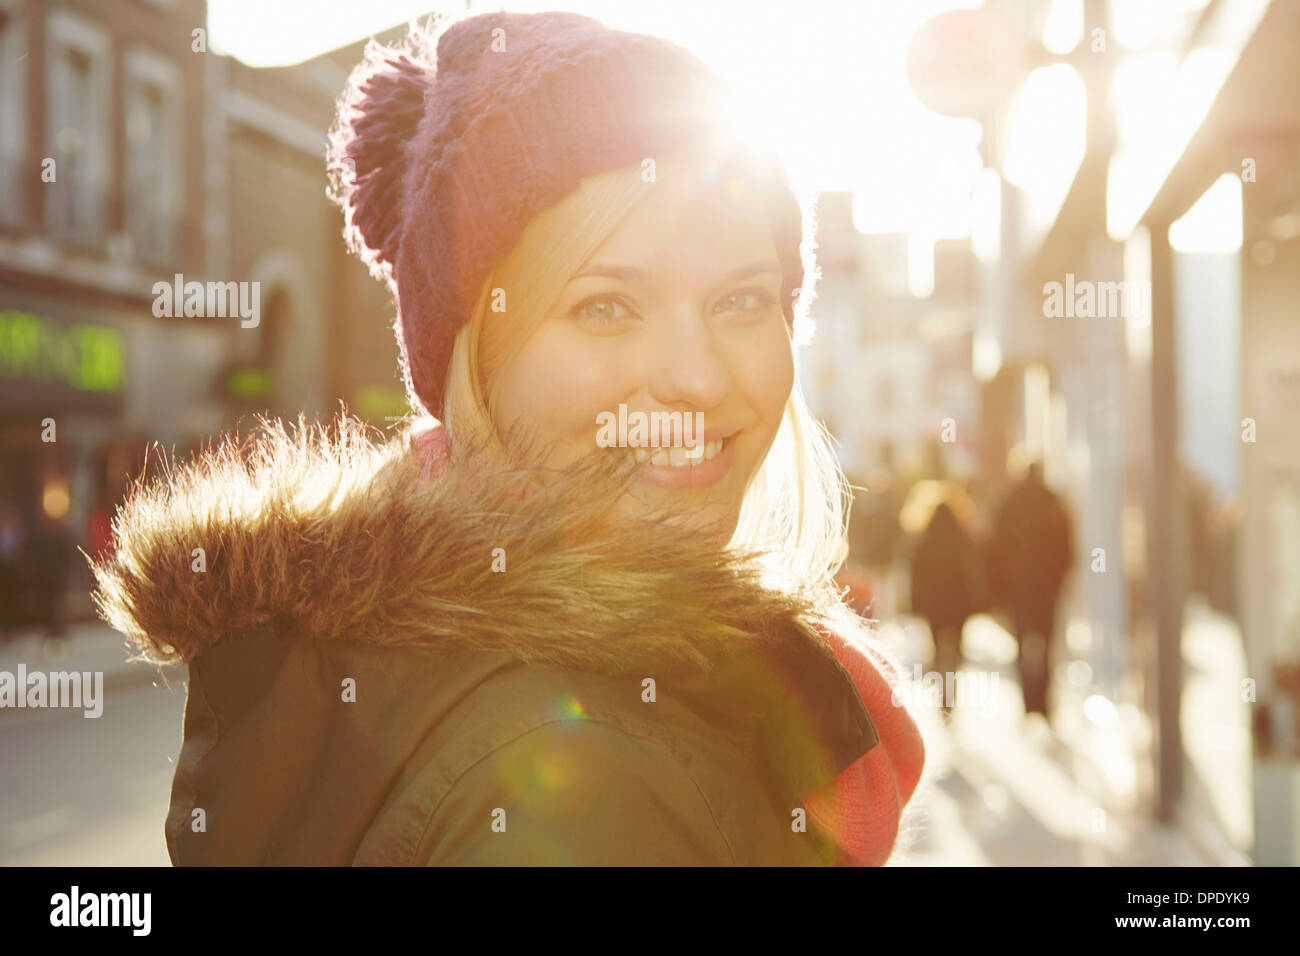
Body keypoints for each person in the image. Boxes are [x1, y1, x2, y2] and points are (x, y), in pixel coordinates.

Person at [91, 11, 924, 866]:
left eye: (743, 300)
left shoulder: (352, 670)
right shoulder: (584, 777)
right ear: (474, 361)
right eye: (606, 307)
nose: (700, 378)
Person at [988, 461, 1074, 723]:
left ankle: (1028, 702)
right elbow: (1067, 548)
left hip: (1019, 590)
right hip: (1047, 590)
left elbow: (996, 549)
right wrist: (1059, 580)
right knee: (1046, 643)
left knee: (1023, 643)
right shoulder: (1053, 501)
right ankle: (1043, 702)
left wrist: (1002, 588)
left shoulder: (1009, 503)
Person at [909, 502, 988, 714]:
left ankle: (941, 692)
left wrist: (915, 604)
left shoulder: (924, 541)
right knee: (957, 649)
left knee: (936, 650)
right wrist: (977, 600)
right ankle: (950, 693)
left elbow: (916, 577)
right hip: (958, 604)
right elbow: (973, 572)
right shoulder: (961, 540)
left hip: (933, 605)